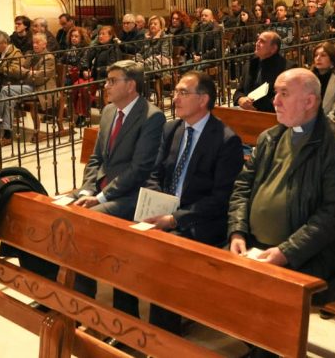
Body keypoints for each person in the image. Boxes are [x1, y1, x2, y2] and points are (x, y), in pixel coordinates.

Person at [227, 68, 335, 318]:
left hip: (311, 254)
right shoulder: (270, 138)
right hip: (257, 245)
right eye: (276, 93)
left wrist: (286, 252)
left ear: (309, 101)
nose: (274, 101)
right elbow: (242, 187)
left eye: (283, 94)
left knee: (266, 288)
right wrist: (237, 231)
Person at [141, 70, 244, 334]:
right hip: (166, 211)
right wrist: (156, 202)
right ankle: (124, 319)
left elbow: (221, 199)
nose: (175, 97)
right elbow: (156, 172)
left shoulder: (226, 140)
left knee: (167, 253)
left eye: (183, 92)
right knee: (125, 239)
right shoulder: (172, 128)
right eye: (175, 91)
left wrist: (175, 218)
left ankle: (162, 337)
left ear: (203, 100)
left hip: (203, 220)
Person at [73, 60, 164, 317]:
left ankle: (120, 312)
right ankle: (77, 299)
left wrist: (101, 196)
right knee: (51, 208)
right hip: (100, 189)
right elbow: (96, 159)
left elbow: (139, 169)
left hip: (132, 194)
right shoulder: (108, 111)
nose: (106, 86)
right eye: (107, 80)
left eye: (113, 81)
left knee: (89, 219)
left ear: (131, 85)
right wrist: (86, 191)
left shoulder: (151, 116)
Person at [233, 30, 290, 113]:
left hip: (272, 116)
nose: (257, 43)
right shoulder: (250, 64)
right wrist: (240, 100)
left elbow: (285, 98)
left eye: (262, 41)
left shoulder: (286, 69)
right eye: (258, 40)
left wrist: (255, 106)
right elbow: (239, 91)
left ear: (273, 48)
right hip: (248, 114)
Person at [310, 41, 335, 117]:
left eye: (323, 55)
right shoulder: (308, 77)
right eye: (316, 55)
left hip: (328, 122)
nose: (318, 58)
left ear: (332, 60)